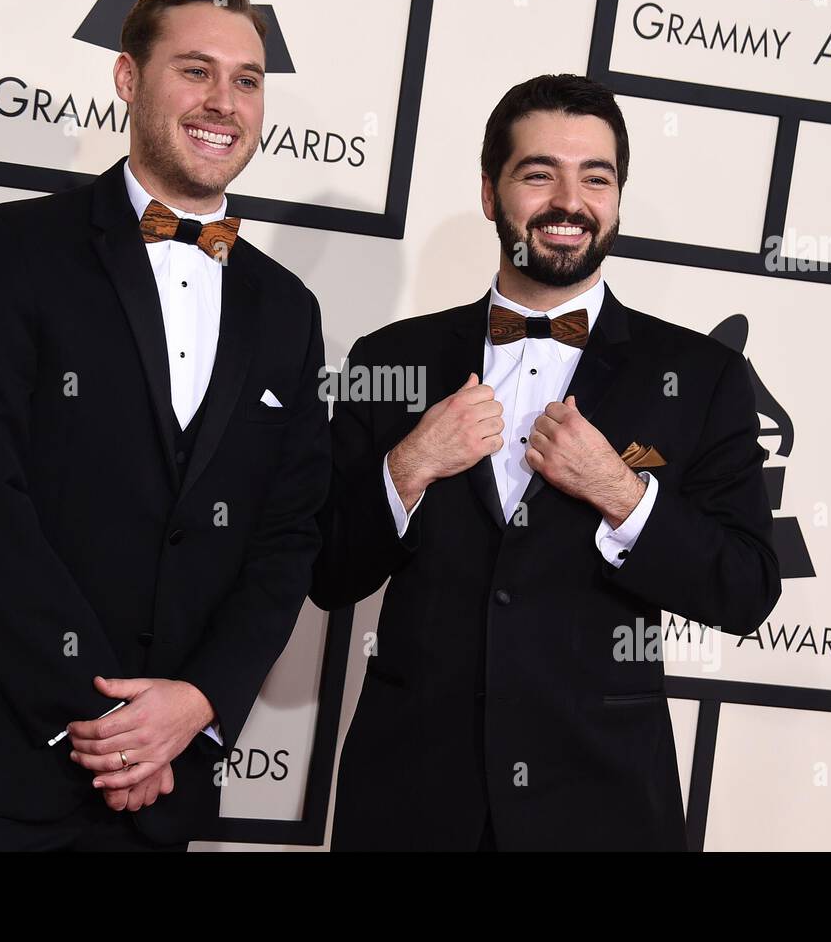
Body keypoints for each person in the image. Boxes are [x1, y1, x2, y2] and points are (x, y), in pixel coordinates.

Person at [0, 0, 329, 851]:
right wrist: (109, 726)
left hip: (164, 795)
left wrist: (196, 704)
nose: (222, 103)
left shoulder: (290, 310)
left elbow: (288, 536)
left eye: (246, 80)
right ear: (128, 79)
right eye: (194, 70)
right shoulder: (9, 248)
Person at [312, 74, 781, 851]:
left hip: (600, 805)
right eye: (539, 174)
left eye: (595, 177)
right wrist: (409, 465)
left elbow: (747, 588)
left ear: (618, 198)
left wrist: (621, 493)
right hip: (411, 799)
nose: (570, 201)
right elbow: (326, 571)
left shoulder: (700, 376)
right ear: (491, 194)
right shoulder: (391, 358)